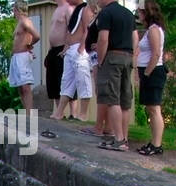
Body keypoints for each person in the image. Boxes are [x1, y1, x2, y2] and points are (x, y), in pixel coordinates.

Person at [93, 0, 138, 150]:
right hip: (127, 57)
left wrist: (100, 61)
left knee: (112, 99)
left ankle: (118, 140)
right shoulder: (128, 14)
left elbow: (103, 39)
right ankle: (124, 138)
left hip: (112, 57)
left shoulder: (106, 13)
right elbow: (135, 39)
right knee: (125, 101)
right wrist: (132, 57)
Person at [135, 1, 167, 154]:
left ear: (146, 13)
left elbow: (155, 54)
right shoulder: (150, 30)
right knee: (150, 108)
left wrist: (147, 72)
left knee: (154, 109)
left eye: (140, 12)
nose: (138, 15)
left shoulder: (154, 30)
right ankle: (154, 142)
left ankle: (156, 144)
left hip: (153, 72)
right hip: (149, 72)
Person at [54, 3, 95, 120]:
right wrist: (66, 47)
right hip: (70, 50)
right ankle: (59, 112)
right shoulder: (75, 10)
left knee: (83, 81)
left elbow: (87, 30)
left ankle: (83, 114)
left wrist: (81, 48)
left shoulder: (86, 9)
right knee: (66, 81)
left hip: (79, 50)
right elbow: (69, 32)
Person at [8, 2, 40, 110]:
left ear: (17, 9)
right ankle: (26, 111)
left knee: (25, 86)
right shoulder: (19, 23)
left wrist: (29, 45)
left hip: (22, 56)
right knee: (19, 86)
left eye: (14, 9)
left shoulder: (25, 21)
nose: (13, 11)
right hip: (16, 57)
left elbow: (36, 36)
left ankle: (29, 114)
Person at [45, 0, 76, 103]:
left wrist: (66, 47)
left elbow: (71, 29)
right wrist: (50, 49)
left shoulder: (68, 9)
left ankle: (73, 114)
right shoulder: (56, 9)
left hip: (63, 49)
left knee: (66, 82)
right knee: (53, 83)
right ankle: (58, 113)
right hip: (53, 50)